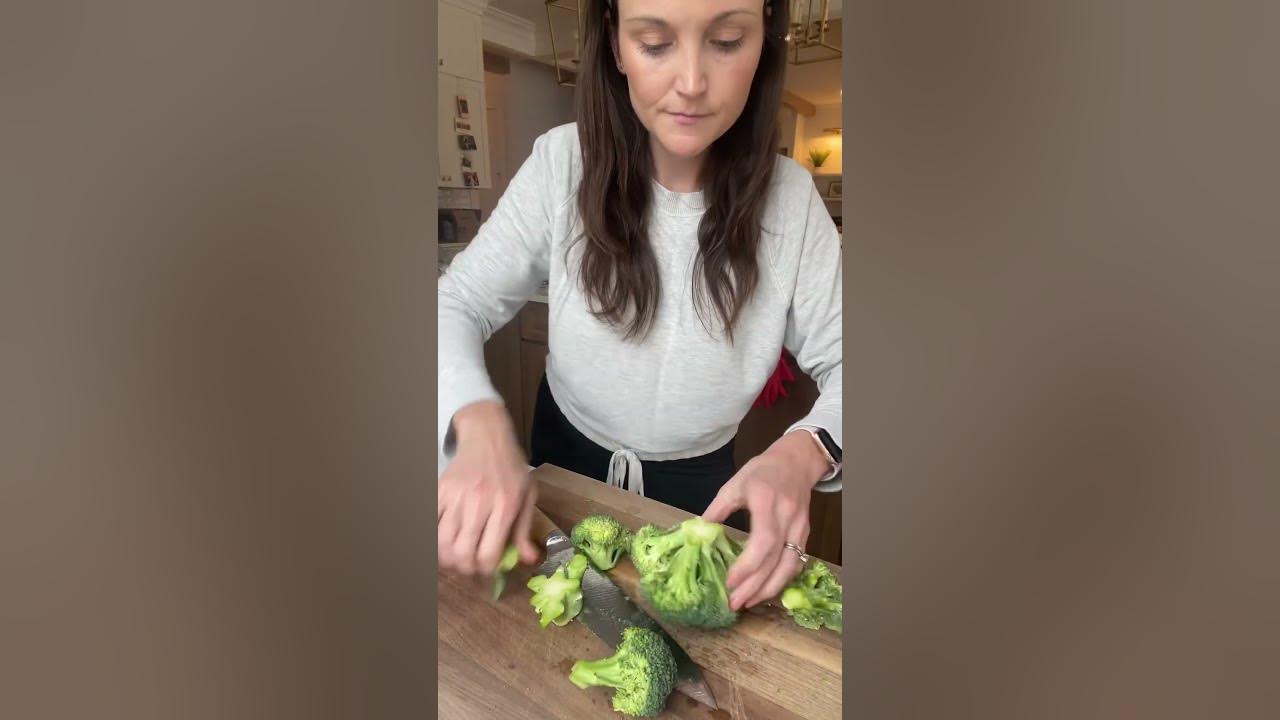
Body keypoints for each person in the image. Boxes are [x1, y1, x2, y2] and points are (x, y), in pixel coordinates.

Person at [437, 0, 842, 612]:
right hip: (562, 463)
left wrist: (806, 450)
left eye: (727, 41)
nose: (691, 83)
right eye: (655, 43)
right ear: (615, 43)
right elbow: (456, 300)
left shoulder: (793, 204)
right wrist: (473, 415)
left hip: (704, 490)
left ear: (766, 38)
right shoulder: (561, 163)